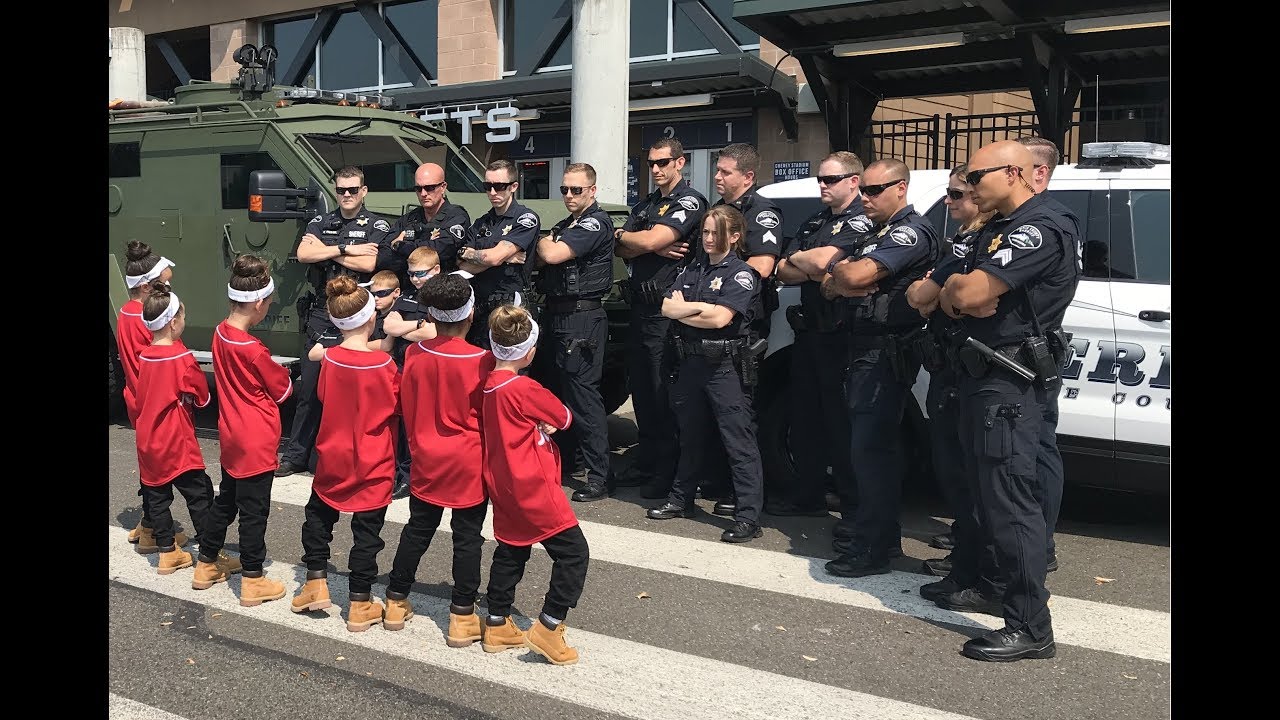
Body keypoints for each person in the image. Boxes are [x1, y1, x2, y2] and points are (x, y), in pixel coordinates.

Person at [935, 139, 1081, 662]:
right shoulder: (1000, 227)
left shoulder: (1038, 227)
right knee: (989, 496)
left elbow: (969, 294)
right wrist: (958, 290)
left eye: (977, 177)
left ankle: (1030, 626)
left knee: (1010, 503)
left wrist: (959, 291)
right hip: (987, 376)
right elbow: (943, 292)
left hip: (1010, 383)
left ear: (1015, 174)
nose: (970, 187)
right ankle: (999, 591)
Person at [821, 158, 940, 577]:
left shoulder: (910, 232)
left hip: (884, 353)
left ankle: (872, 548)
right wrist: (842, 276)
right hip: (862, 350)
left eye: (874, 190)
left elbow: (853, 279)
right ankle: (877, 539)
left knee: (872, 452)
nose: (865, 198)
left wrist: (844, 277)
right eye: (863, 191)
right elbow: (831, 281)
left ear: (901, 188)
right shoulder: (874, 232)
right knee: (865, 450)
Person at [384, 273, 495, 646]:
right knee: (467, 537)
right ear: (471, 314)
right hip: (468, 460)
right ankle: (462, 614)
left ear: (431, 316)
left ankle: (396, 599)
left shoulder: (415, 353)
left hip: (426, 457)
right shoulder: (483, 360)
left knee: (418, 529)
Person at [906, 166, 1000, 600]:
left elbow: (936, 295)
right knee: (955, 473)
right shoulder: (961, 242)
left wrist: (942, 295)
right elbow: (918, 296)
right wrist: (943, 296)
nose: (949, 201)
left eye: (958, 194)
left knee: (972, 477)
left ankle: (979, 569)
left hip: (973, 372)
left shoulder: (986, 241)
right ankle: (966, 560)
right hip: (949, 365)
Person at [646, 205, 765, 544]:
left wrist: (687, 309)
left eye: (717, 232)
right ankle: (681, 499)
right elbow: (667, 307)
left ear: (735, 236)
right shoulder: (693, 269)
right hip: (690, 364)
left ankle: (748, 517)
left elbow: (720, 319)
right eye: (706, 232)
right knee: (690, 435)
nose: (709, 238)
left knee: (738, 441)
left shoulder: (741, 274)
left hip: (724, 367)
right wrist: (698, 309)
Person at [480, 306, 590, 666]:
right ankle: (550, 625)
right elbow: (564, 417)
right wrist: (547, 422)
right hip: (533, 482)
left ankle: (497, 620)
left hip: (502, 481)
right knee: (573, 553)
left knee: (512, 548)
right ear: (529, 351)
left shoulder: (488, 383)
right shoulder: (525, 387)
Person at [290, 276, 400, 633]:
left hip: (333, 454)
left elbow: (322, 396)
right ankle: (360, 601)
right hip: (373, 458)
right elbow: (396, 406)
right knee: (367, 533)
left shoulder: (331, 359)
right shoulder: (384, 366)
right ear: (372, 318)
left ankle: (315, 581)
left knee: (318, 516)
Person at [773, 152, 875, 526]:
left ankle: (852, 510)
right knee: (805, 421)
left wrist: (809, 262)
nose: (822, 185)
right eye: (820, 178)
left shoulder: (862, 221)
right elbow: (783, 269)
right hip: (808, 334)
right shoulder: (816, 220)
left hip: (841, 337)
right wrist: (813, 264)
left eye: (830, 179)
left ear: (853, 181)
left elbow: (817, 263)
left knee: (840, 425)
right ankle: (808, 496)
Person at [276, 166, 392, 477]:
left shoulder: (377, 224)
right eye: (341, 190)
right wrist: (345, 248)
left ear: (364, 191)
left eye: (353, 189)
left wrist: (326, 252)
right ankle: (296, 454)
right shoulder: (321, 221)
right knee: (310, 387)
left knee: (355, 390)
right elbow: (303, 254)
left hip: (359, 314)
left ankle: (351, 454)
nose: (347, 195)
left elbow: (369, 262)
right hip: (322, 312)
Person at [614, 137, 708, 501]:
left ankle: (666, 472)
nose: (655, 169)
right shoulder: (646, 204)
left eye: (662, 162)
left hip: (666, 312)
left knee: (661, 393)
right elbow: (621, 248)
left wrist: (642, 240)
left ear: (680, 163)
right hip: (640, 307)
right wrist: (632, 238)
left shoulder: (690, 200)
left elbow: (655, 240)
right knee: (641, 391)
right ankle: (647, 460)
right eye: (651, 163)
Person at [701, 143, 785, 516]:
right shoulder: (719, 211)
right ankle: (717, 479)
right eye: (717, 170)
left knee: (739, 412)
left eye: (725, 171)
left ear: (748, 176)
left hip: (743, 325)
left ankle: (744, 494)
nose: (717, 176)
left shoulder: (760, 212)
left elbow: (763, 266)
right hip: (710, 322)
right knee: (713, 409)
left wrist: (718, 280)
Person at [203, 254, 291, 606]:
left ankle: (206, 562)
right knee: (255, 512)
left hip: (231, 434)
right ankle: (253, 579)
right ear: (258, 303)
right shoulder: (254, 350)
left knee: (227, 500)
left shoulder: (220, 333)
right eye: (268, 302)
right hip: (256, 438)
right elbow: (282, 391)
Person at [535, 162, 616, 502]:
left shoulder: (594, 222)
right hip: (559, 314)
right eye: (564, 189)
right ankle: (571, 461)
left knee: (584, 399)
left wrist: (544, 242)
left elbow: (551, 254)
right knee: (559, 394)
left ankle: (600, 476)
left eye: (576, 190)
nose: (569, 195)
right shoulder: (567, 224)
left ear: (592, 191)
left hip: (582, 317)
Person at [1016, 134, 1078, 573]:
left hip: (1027, 353)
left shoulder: (1046, 221)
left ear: (1039, 173)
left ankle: (1040, 544)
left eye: (1014, 168)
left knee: (1036, 449)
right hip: (1018, 351)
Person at [133, 282, 219, 577]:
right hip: (176, 439)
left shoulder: (145, 355)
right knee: (200, 494)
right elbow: (203, 398)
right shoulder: (182, 359)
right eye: (182, 316)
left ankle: (167, 552)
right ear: (173, 322)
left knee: (157, 497)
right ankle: (210, 554)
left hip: (147, 438)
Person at [118, 241, 188, 553]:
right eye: (164, 285)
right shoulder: (146, 319)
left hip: (137, 398)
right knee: (161, 475)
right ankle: (155, 531)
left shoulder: (127, 312)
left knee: (151, 468)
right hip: (155, 403)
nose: (168, 291)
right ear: (146, 287)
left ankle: (148, 525)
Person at [458, 159, 540, 348]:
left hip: (510, 307)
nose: (493, 192)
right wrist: (502, 258)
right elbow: (462, 264)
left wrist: (483, 256)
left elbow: (493, 257)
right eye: (488, 186)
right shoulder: (481, 223)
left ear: (513, 187)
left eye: (500, 186)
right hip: (480, 307)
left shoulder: (525, 218)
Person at [385, 162, 472, 286]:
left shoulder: (456, 216)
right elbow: (384, 256)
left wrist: (400, 246)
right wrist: (425, 245)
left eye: (429, 188)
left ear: (443, 187)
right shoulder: (409, 218)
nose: (423, 193)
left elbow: (442, 250)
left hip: (444, 288)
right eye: (418, 189)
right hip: (410, 288)